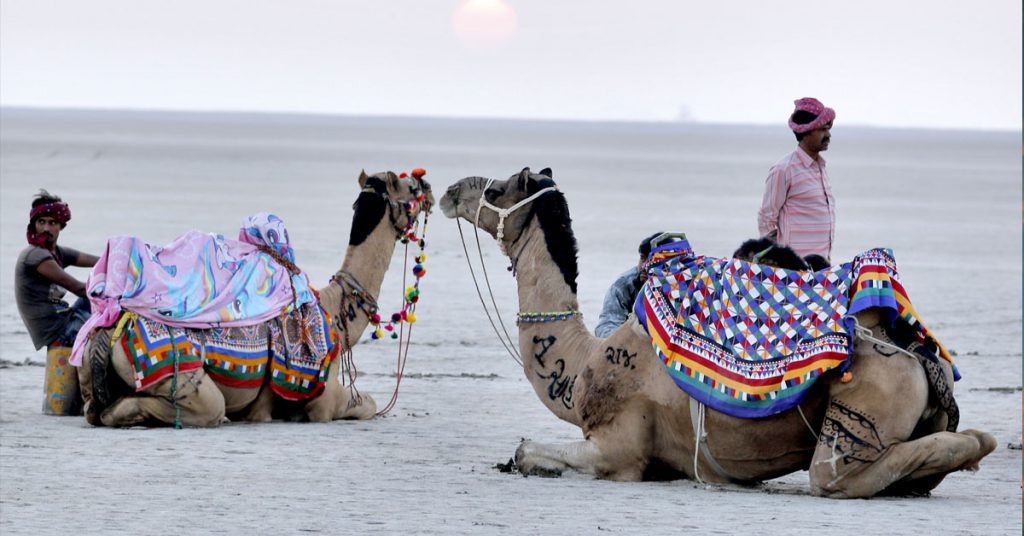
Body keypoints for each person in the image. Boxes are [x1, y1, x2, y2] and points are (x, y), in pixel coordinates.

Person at [14, 190, 99, 351]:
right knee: (112, 326)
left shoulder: (57, 252)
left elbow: (101, 261)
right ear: (34, 224)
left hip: (65, 317)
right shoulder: (35, 255)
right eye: (41, 222)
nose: (46, 228)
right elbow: (79, 288)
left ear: (61, 226)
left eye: (52, 223)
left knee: (103, 297)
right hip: (57, 331)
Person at [757, 97, 836, 263]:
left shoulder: (820, 168)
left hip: (821, 270)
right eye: (822, 129)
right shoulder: (784, 170)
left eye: (828, 129)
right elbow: (766, 219)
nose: (828, 134)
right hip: (794, 274)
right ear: (805, 133)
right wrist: (779, 262)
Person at [594, 232, 664, 338]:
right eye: (643, 258)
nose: (645, 266)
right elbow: (606, 327)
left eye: (653, 261)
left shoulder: (684, 286)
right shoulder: (623, 286)